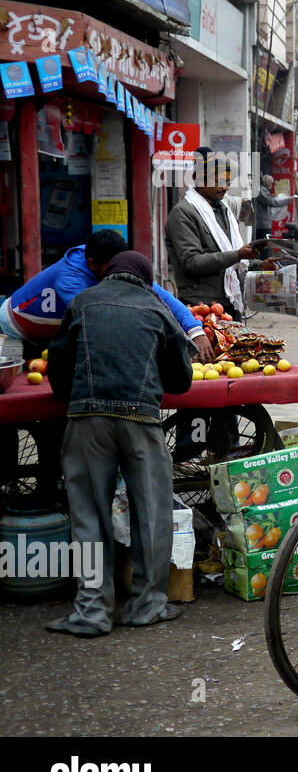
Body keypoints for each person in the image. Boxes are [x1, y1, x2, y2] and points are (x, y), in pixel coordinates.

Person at [44, 251, 195, 636]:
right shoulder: (158, 308)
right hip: (141, 421)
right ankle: (147, 606)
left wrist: (77, 398)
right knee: (152, 513)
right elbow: (181, 380)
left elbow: (57, 367)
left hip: (86, 423)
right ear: (145, 279)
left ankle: (92, 612)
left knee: (88, 515)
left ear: (108, 274)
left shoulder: (82, 302)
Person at [1, 230, 213, 361]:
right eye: (112, 266)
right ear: (92, 263)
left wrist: (196, 332)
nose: (120, 270)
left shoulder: (114, 262)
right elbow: (101, 321)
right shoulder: (70, 279)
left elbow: (164, 298)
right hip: (15, 329)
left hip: (52, 335)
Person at [165, 148, 267, 321]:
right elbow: (191, 262)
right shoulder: (183, 213)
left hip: (229, 303)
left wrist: (260, 265)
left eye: (227, 182)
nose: (225, 187)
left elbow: (235, 261)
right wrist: (237, 255)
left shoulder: (223, 210)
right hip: (200, 307)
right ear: (201, 180)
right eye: (220, 181)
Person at [252, 174, 293, 240]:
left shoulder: (264, 191)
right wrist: (286, 201)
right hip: (261, 224)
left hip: (264, 223)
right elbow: (270, 202)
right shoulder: (260, 191)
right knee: (263, 245)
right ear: (267, 182)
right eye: (270, 182)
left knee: (265, 244)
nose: (271, 184)